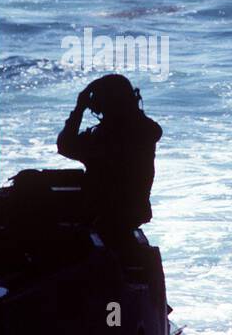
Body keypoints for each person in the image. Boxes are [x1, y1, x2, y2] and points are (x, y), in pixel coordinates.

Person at [57, 74, 162, 244]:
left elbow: (65, 145)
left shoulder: (103, 137)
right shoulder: (145, 131)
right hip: (133, 212)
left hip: (104, 213)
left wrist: (79, 108)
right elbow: (148, 126)